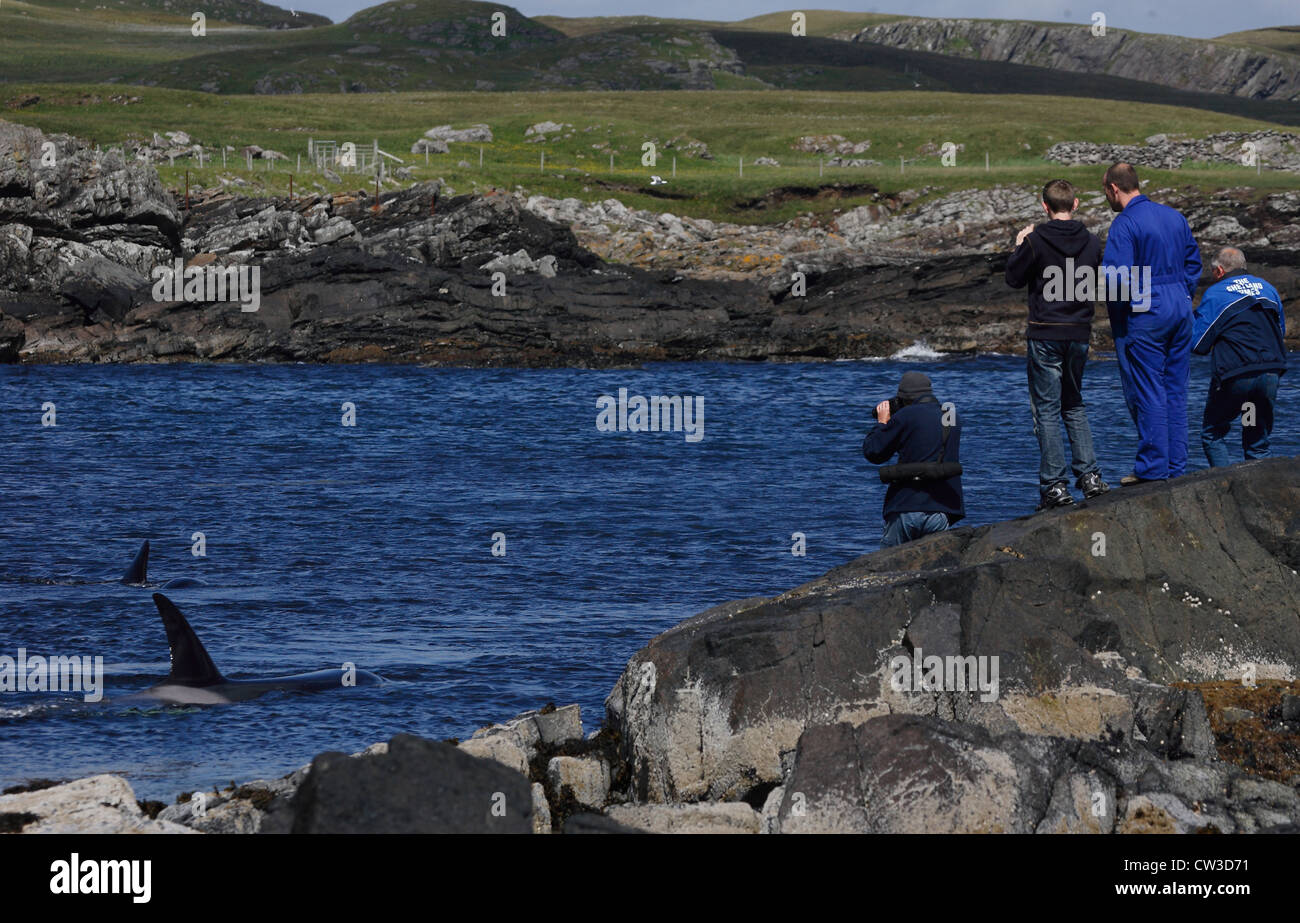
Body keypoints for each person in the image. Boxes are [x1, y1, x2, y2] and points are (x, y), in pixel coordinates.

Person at [1006, 178, 1110, 510]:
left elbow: (1013, 278)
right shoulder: (1093, 242)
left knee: (1047, 411)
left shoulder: (1036, 240)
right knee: (1074, 404)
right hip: (1078, 332)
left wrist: (1020, 245)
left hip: (1046, 332)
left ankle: (1054, 484)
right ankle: (1090, 476)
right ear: (1075, 203)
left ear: (1044, 207)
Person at [1100, 162, 1202, 485]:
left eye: (1106, 191)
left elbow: (1117, 280)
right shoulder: (1174, 217)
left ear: (1114, 189)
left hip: (1148, 309)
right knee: (1175, 388)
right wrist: (1182, 295)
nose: (1106, 198)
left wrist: (1126, 311)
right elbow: (1193, 263)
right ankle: (1175, 466)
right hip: (1180, 307)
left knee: (1149, 389)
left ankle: (1152, 467)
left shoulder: (1124, 224)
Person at [1192, 247, 1287, 466]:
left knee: (1213, 433)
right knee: (1254, 437)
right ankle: (1257, 488)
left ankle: (1226, 488)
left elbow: (1198, 344)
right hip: (1269, 375)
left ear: (1219, 271)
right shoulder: (1268, 289)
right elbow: (1279, 331)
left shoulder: (1216, 294)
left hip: (1236, 377)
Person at [862, 371, 964, 547]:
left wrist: (882, 423)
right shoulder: (952, 416)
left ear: (903, 397)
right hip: (942, 508)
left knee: (889, 569)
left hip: (906, 505)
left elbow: (874, 452)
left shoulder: (905, 416)